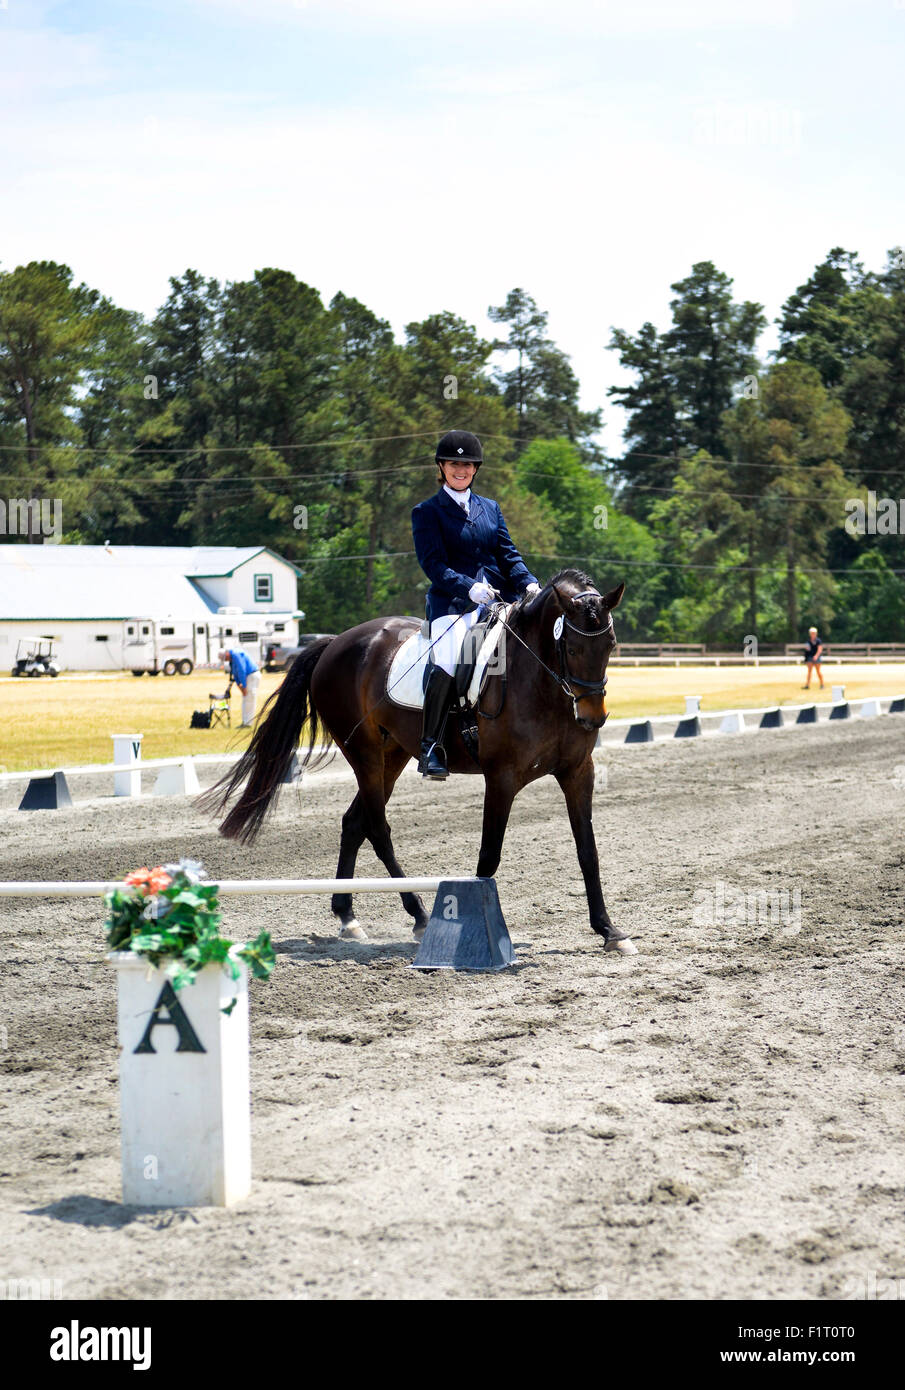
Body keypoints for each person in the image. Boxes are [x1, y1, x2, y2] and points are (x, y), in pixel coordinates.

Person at [411, 429, 541, 779]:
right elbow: (433, 564)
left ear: (475, 469)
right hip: (453, 606)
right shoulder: (427, 512)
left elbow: (508, 555)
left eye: (467, 464)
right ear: (442, 466)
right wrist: (468, 588)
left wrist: (528, 582)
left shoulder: (490, 508)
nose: (461, 470)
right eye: (454, 463)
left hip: (500, 600)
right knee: (453, 659)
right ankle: (431, 746)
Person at [219, 646, 261, 726]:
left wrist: (244, 686)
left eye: (225, 658)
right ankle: (245, 722)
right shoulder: (232, 658)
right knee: (246, 699)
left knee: (249, 699)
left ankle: (248, 723)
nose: (226, 660)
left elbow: (242, 670)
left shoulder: (236, 655)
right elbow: (235, 673)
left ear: (227, 654)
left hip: (252, 676)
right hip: (247, 677)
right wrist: (239, 686)